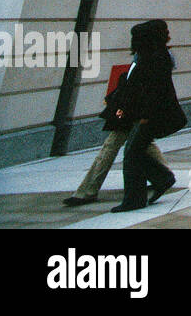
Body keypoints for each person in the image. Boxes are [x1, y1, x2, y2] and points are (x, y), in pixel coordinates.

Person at [63, 43, 167, 208]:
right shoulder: (144, 58)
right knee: (142, 145)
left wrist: (122, 107)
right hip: (131, 113)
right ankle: (164, 176)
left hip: (130, 114)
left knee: (110, 148)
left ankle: (87, 191)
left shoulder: (151, 59)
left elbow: (142, 89)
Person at [111, 20, 187, 212]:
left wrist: (145, 115)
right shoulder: (150, 55)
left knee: (131, 154)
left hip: (151, 115)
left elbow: (155, 90)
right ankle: (162, 179)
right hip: (145, 112)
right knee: (134, 152)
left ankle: (135, 198)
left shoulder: (156, 57)